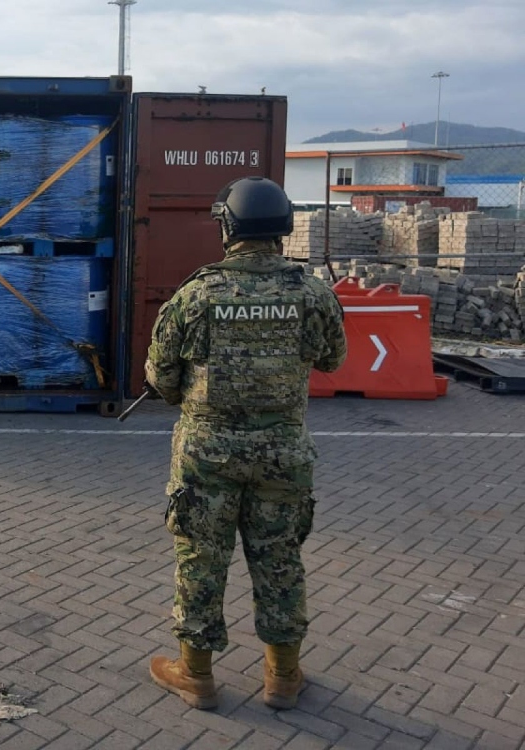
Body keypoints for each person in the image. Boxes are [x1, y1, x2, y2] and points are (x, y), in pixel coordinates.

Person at [144, 176, 347, 711]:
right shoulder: (312, 293)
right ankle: (282, 676)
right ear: (282, 229)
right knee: (280, 560)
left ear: (228, 227)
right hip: (282, 455)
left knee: (200, 561)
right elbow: (331, 359)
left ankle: (196, 674)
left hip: (206, 456)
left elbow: (162, 380)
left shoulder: (196, 293)